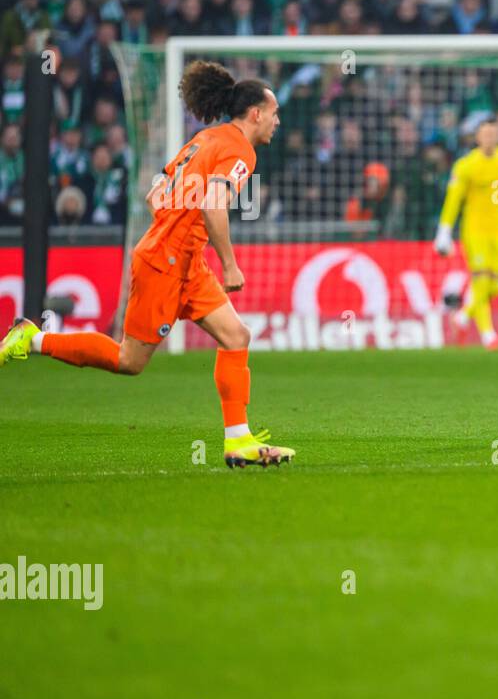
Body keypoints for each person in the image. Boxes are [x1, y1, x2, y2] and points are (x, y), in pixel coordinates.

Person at [1, 60, 295, 465]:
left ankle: (238, 440)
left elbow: (155, 193)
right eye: (275, 113)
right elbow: (213, 203)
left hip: (184, 258)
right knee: (130, 361)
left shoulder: (204, 139)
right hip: (167, 260)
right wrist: (229, 264)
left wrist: (177, 224)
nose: (277, 121)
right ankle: (31, 339)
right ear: (257, 113)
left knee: (236, 336)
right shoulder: (239, 148)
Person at [435, 117, 498, 350]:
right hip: (474, 232)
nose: (490, 139)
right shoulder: (465, 165)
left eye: (494, 134)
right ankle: (488, 335)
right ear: (477, 137)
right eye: (485, 134)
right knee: (480, 279)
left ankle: (463, 315)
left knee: (494, 286)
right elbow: (453, 200)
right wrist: (444, 232)